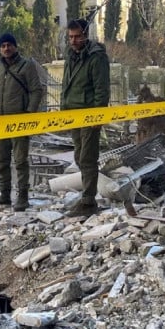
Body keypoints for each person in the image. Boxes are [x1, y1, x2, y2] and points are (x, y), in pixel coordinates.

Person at [0, 33, 43, 211]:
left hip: (18, 122)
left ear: (15, 46)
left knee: (20, 160)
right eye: (3, 46)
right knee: (2, 160)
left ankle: (22, 196)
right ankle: (4, 194)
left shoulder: (27, 65)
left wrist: (29, 113)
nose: (6, 48)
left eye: (9, 45)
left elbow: (36, 90)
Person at [61, 18, 110, 217]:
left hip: (89, 115)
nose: (73, 40)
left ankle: (89, 202)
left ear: (86, 35)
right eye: (70, 37)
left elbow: (102, 90)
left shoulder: (96, 57)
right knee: (79, 157)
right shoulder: (70, 55)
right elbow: (67, 83)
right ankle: (87, 196)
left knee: (87, 158)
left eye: (77, 36)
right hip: (74, 115)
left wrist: (98, 117)